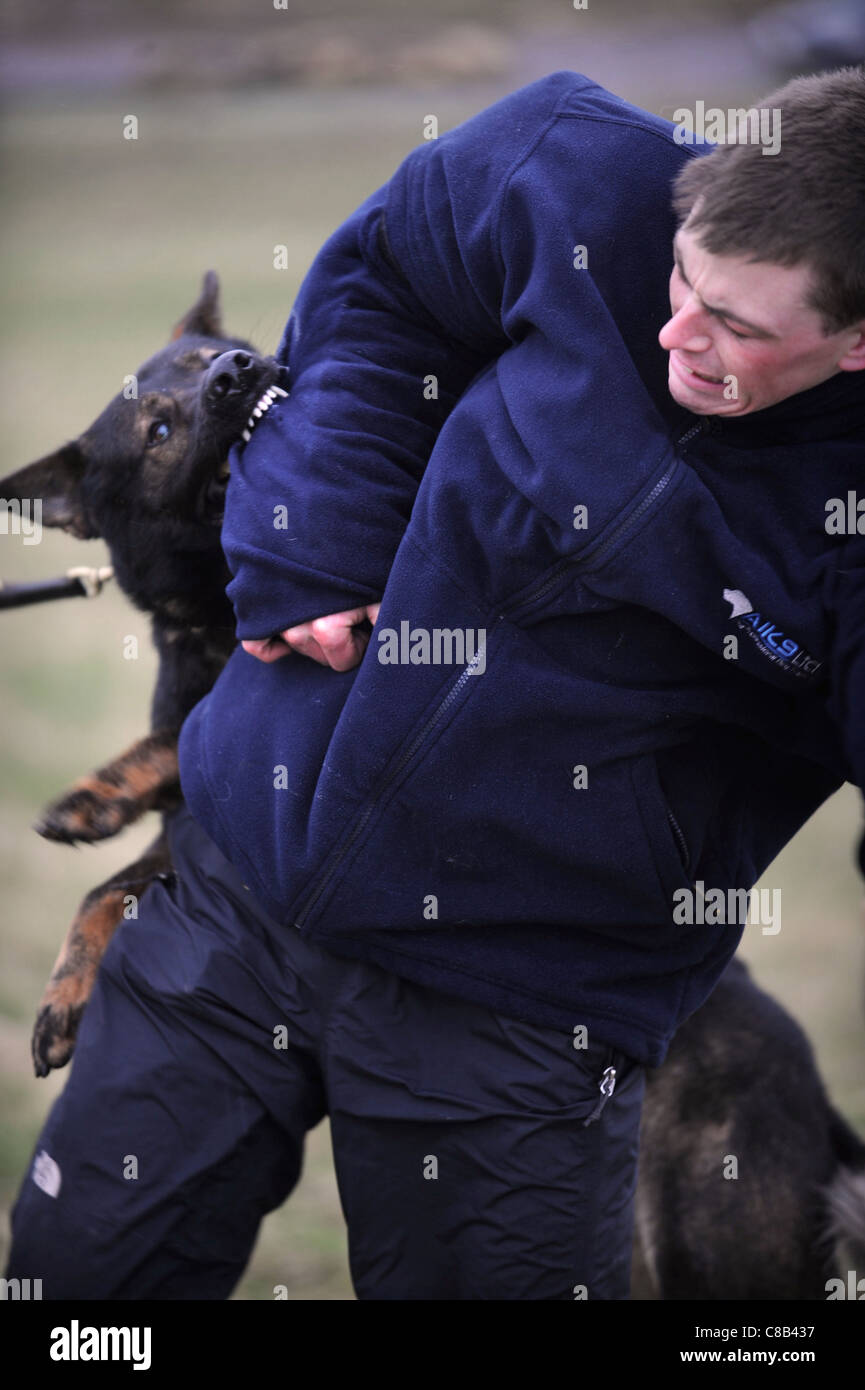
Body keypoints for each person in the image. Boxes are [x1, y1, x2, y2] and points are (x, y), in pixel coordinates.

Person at [6, 66, 865, 1301]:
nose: (677, 331)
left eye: (737, 325)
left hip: (516, 1018)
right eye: (681, 280)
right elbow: (378, 292)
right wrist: (312, 533)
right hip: (239, 888)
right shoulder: (567, 166)